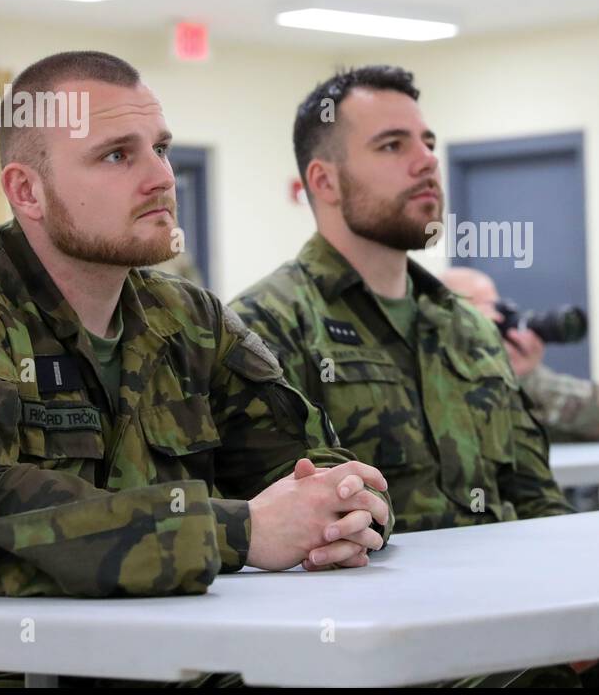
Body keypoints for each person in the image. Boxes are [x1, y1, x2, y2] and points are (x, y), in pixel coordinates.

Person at [0, 51, 390, 688]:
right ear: (27, 192)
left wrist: (345, 513)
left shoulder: (188, 318)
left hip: (157, 659)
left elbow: (318, 466)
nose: (160, 177)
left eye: (161, 148)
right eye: (118, 156)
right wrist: (240, 531)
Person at [231, 65, 573, 534]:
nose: (427, 161)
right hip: (362, 604)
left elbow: (537, 500)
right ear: (325, 182)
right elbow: (289, 527)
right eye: (393, 146)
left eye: (428, 143)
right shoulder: (266, 325)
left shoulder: (466, 327)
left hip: (498, 597)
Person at [438, 267, 599, 443]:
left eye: (496, 309)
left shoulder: (519, 381)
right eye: (478, 313)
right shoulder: (425, 376)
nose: (494, 321)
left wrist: (526, 378)